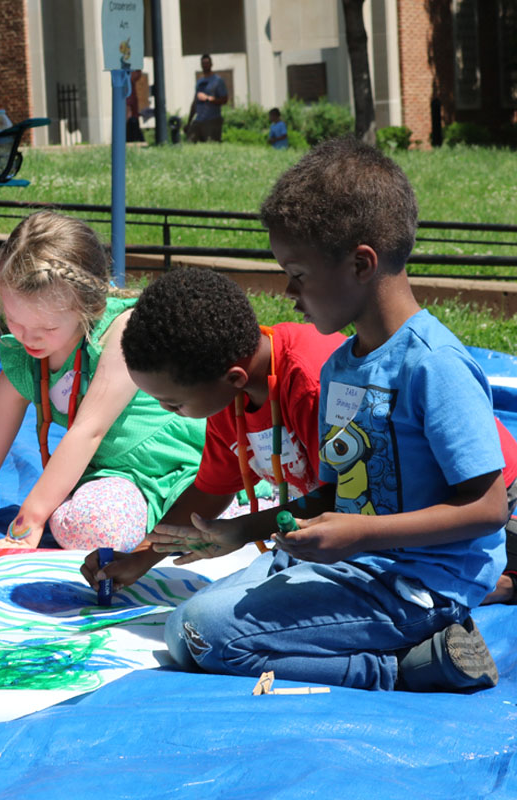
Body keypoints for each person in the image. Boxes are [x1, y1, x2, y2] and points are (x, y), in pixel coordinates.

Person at [134, 137, 512, 692]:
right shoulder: (342, 367)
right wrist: (241, 531)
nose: (288, 292)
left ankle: (406, 668)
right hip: (352, 564)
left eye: (299, 273)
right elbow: (336, 494)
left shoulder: (434, 367)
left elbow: (486, 507)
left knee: (203, 634)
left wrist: (360, 534)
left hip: (417, 583)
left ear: (361, 264)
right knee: (189, 620)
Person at [0, 211, 205, 551]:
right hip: (113, 478)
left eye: (47, 328)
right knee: (77, 525)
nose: (28, 338)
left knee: (84, 526)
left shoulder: (122, 334)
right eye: (14, 320)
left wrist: (29, 519)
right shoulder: (23, 361)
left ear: (89, 306)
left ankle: (211, 512)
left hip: (171, 467)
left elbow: (88, 431)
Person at [80, 266, 345, 587]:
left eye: (174, 404)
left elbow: (342, 498)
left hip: (365, 552)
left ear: (234, 377)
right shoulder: (228, 390)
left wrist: (244, 529)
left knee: (200, 621)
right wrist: (142, 555)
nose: (168, 412)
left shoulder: (313, 385)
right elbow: (209, 491)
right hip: (315, 544)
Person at [185, 54, 228, 143]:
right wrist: (189, 122)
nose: (205, 65)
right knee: (189, 142)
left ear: (211, 64)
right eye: (203, 63)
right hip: (198, 119)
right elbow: (195, 102)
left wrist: (208, 98)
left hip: (212, 119)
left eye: (207, 63)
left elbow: (225, 99)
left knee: (212, 145)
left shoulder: (217, 81)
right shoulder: (199, 82)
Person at [125, 69, 146, 144]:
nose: (139, 74)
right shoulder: (127, 86)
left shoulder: (131, 85)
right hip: (130, 123)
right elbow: (128, 107)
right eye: (136, 72)